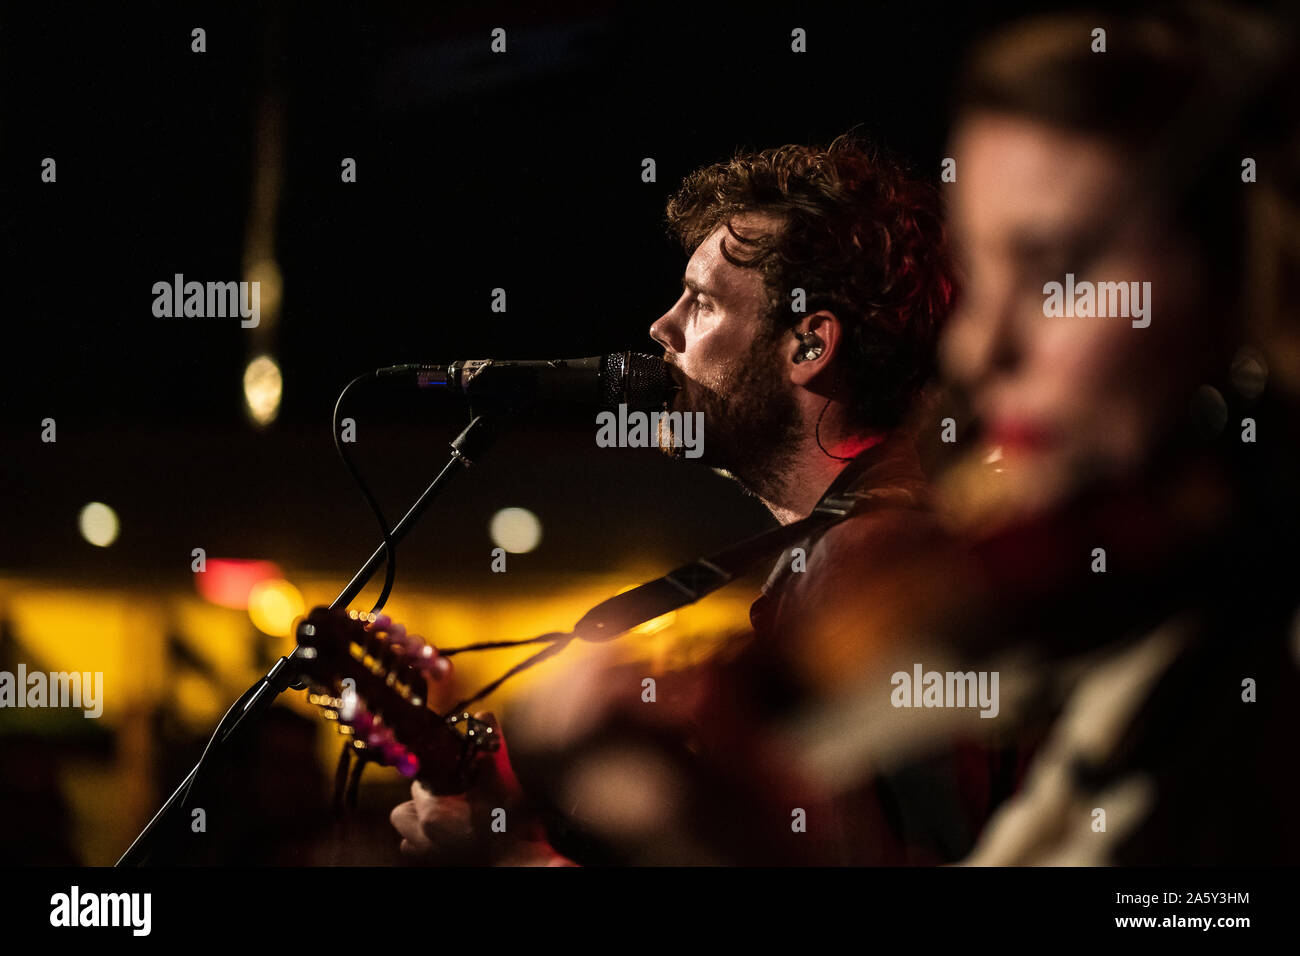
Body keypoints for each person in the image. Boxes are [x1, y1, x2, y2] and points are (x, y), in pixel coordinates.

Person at [389, 134, 1025, 864]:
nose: (662, 329)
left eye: (702, 303)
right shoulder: (847, 546)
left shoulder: (866, 558)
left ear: (810, 346)